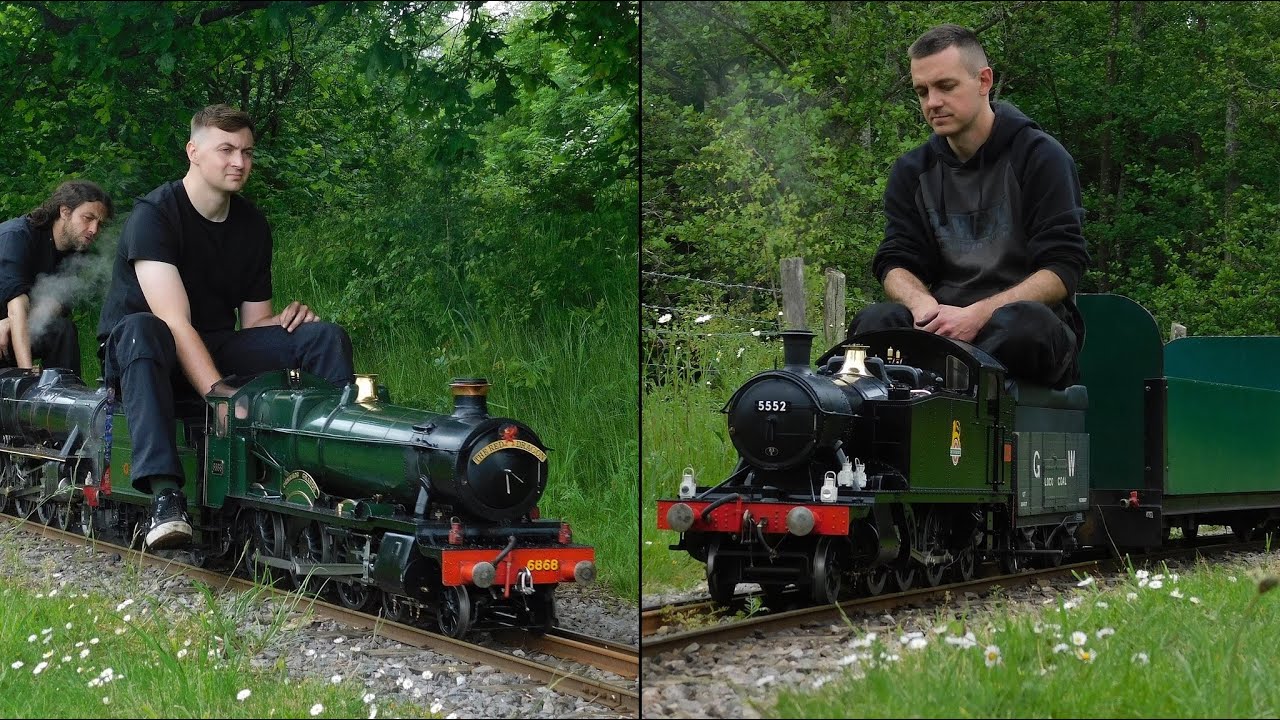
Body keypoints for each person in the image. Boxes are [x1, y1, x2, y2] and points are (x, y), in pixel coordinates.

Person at [97, 104, 354, 550]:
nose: (240, 162)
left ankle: (334, 470)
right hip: (144, 357)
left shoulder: (251, 224)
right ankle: (166, 498)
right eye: (227, 150)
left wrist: (288, 324)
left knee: (322, 337)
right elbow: (173, 321)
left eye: (248, 152)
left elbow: (254, 324)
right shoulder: (155, 215)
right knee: (145, 326)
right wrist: (220, 397)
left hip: (213, 345)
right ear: (193, 151)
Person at [847, 24, 1090, 389]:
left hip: (1024, 332)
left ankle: (952, 386)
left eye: (945, 86)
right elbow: (896, 260)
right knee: (874, 323)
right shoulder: (912, 171)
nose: (932, 102)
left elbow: (1063, 267)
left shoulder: (1040, 157)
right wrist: (922, 306)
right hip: (940, 325)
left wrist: (978, 315)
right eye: (922, 91)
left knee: (1026, 326)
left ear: (983, 81)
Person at [0, 180, 113, 377]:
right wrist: (27, 374)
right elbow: (16, 307)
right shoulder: (17, 236)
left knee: (62, 329)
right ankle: (26, 389)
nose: (94, 229)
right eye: (88, 218)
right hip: (9, 327)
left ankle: (64, 395)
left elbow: (55, 305)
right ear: (64, 212)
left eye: (100, 224)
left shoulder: (76, 252)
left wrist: (11, 323)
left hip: (11, 330)